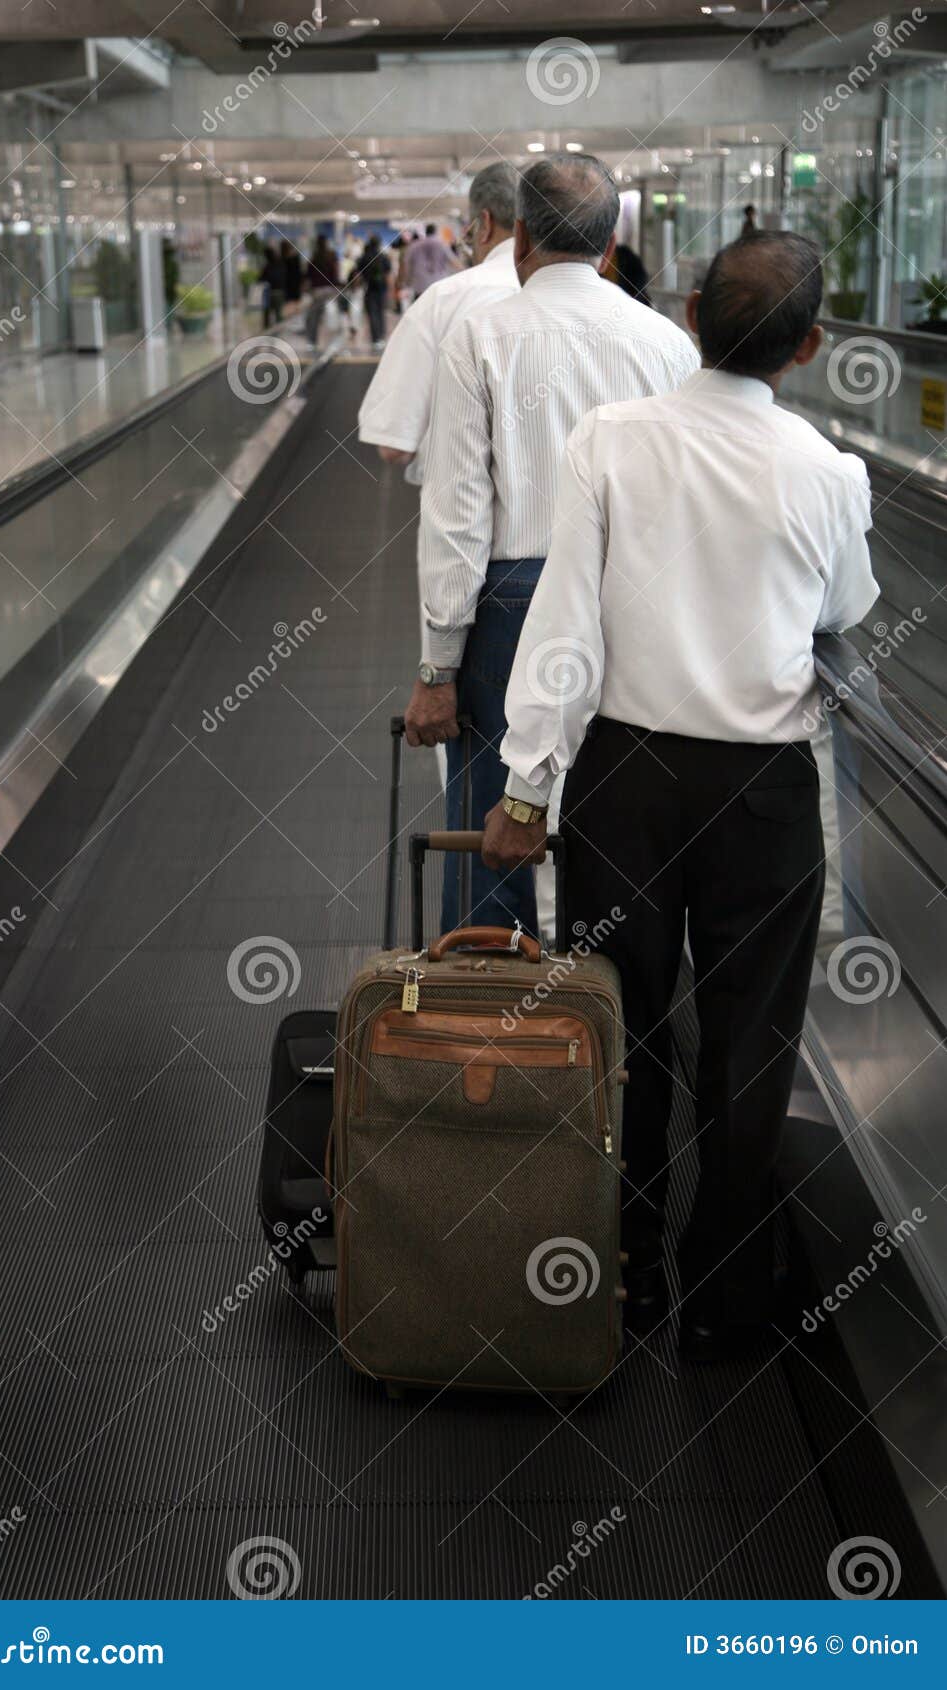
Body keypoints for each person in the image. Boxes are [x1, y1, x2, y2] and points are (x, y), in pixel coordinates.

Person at [481, 230, 878, 1360]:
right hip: (761, 792)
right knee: (749, 1047)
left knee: (621, 1028)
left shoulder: (608, 440)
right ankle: (724, 1302)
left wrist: (525, 786)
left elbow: (565, 624)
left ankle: (622, 1277)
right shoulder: (826, 471)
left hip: (625, 782)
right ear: (807, 346)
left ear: (691, 313)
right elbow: (845, 608)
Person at [408, 154, 699, 937]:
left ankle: (492, 993)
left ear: (520, 237)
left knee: (494, 823)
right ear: (610, 246)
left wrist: (437, 667)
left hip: (512, 602)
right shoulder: (666, 344)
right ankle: (604, 994)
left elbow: (457, 512)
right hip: (634, 595)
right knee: (618, 809)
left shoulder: (478, 335)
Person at [358, 163, 520, 480]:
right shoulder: (606, 304)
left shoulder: (441, 301)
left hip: (462, 500)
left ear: (484, 223)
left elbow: (394, 446)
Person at [353, 234, 392, 350]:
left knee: (372, 313)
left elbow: (358, 275)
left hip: (369, 288)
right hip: (382, 288)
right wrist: (389, 289)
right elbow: (388, 274)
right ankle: (381, 336)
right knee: (380, 312)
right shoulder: (383, 257)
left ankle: (375, 338)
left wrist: (355, 287)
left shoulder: (364, 257)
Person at [403, 222, 459, 299]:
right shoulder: (441, 244)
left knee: (421, 305)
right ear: (435, 232)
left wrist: (406, 282)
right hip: (438, 283)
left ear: (426, 232)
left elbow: (406, 265)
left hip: (420, 285)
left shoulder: (414, 246)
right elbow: (453, 261)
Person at [305, 232, 338, 347]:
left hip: (317, 290)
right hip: (329, 290)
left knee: (313, 317)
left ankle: (312, 341)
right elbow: (335, 274)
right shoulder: (331, 257)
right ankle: (331, 341)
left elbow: (309, 275)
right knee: (330, 315)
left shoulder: (314, 258)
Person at [259, 244, 286, 330]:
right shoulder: (280, 265)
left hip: (269, 293)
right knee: (278, 315)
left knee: (267, 316)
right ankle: (279, 333)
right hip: (279, 292)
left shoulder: (267, 267)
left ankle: (267, 332)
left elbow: (261, 279)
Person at [281, 240, 303, 316]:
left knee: (290, 309)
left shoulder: (282, 260)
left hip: (288, 287)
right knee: (295, 308)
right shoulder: (295, 259)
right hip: (294, 287)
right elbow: (299, 274)